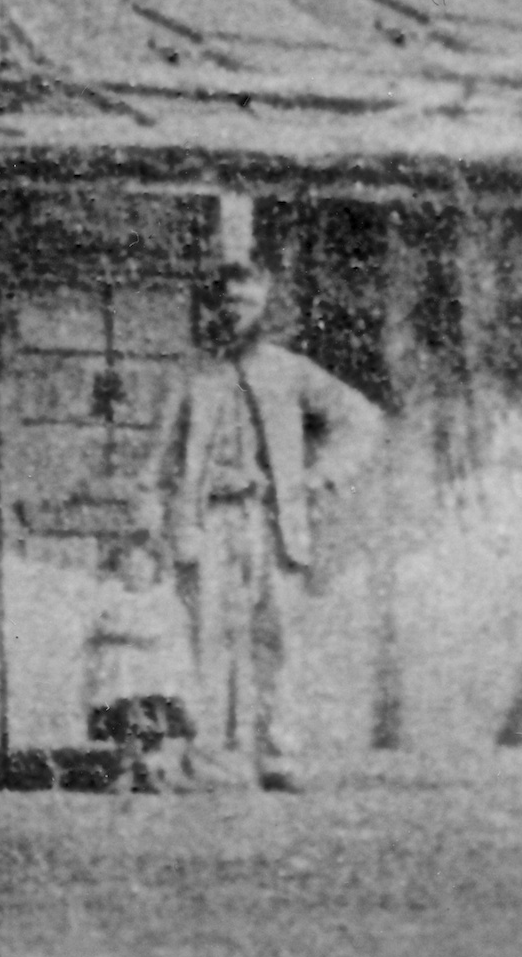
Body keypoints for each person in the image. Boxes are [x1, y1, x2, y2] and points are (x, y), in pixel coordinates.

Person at [143, 261, 382, 793]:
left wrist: (320, 476)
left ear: (264, 308)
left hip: (272, 521)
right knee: (207, 636)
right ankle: (207, 759)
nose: (235, 313)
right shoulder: (187, 373)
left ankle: (279, 756)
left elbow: (362, 420)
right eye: (226, 302)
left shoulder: (290, 371)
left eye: (247, 302)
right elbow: (158, 455)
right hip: (207, 518)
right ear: (210, 307)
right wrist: (152, 512)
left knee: (279, 638)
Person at [83, 537, 197, 792]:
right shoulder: (111, 596)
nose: (136, 571)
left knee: (154, 720)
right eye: (129, 564)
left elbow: (160, 632)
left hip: (154, 678)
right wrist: (116, 631)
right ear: (118, 567)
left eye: (143, 564)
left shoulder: (163, 599)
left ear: (157, 567)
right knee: (125, 721)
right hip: (120, 679)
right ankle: (127, 768)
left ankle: (154, 770)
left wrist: (126, 632)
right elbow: (96, 625)